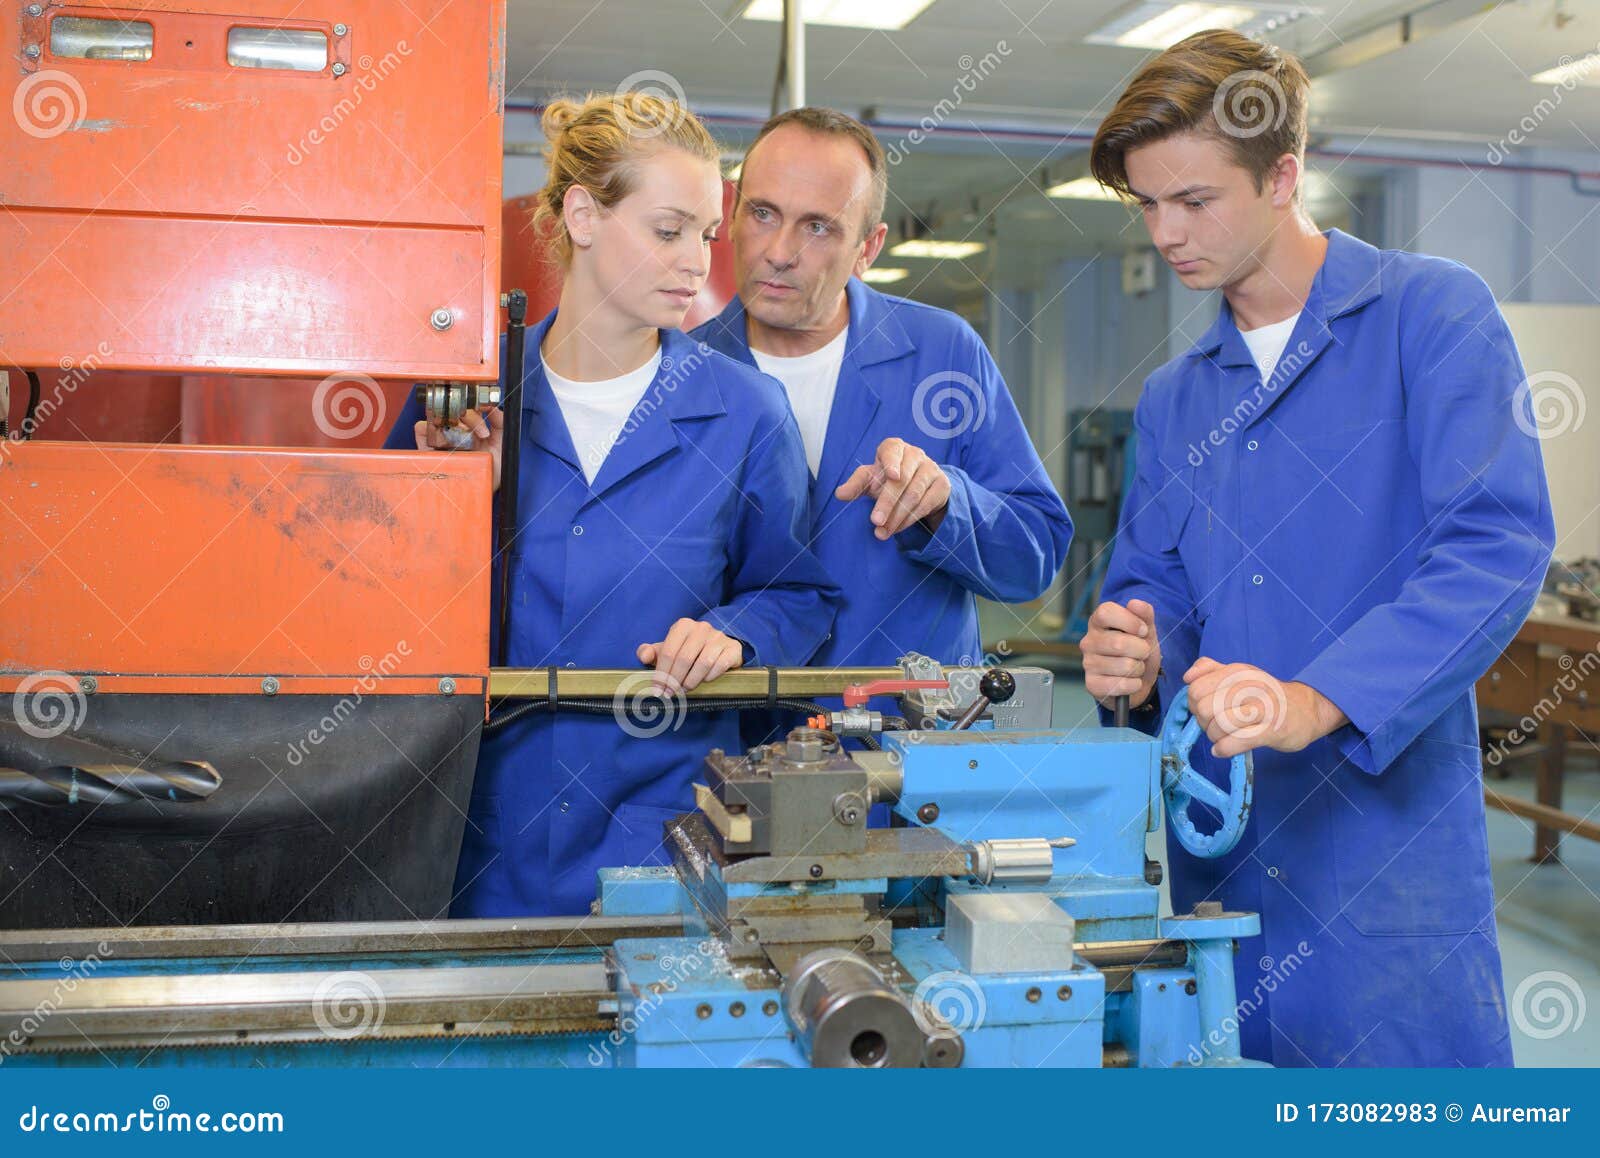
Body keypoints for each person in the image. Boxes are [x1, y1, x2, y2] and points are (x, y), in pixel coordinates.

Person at [1080, 30, 1554, 1066]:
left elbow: (1493, 546)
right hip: (1225, 859)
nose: (1164, 234)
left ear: (1282, 175)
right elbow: (1151, 591)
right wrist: (1128, 653)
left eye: (1193, 202)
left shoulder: (1428, 317)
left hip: (1381, 861)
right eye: (1145, 204)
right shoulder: (1174, 397)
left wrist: (1314, 699)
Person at [386, 93, 837, 917]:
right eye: (668, 232)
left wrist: (733, 634)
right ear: (584, 216)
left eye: (706, 234)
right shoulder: (463, 401)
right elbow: (367, 605)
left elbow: (800, 597)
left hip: (663, 841)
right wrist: (445, 505)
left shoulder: (745, 412)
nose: (698, 264)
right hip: (472, 840)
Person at [692, 107, 1072, 674]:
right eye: (763, 213)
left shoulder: (943, 353)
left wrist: (948, 505)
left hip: (912, 739)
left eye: (818, 227)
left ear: (868, 249)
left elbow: (1032, 559)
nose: (779, 250)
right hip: (742, 737)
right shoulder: (684, 375)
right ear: (732, 213)